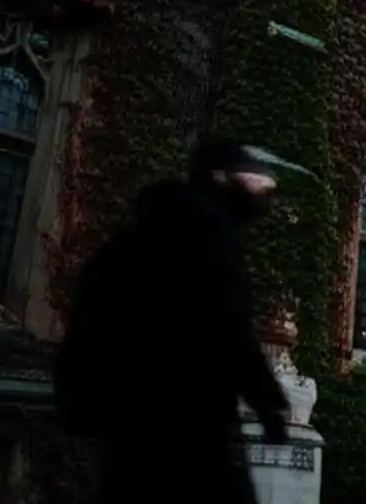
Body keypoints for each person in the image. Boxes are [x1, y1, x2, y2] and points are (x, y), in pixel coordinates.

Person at [55, 139, 291, 503]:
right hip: (190, 420)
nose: (260, 190)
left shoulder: (128, 241)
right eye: (250, 179)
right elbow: (228, 325)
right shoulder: (211, 233)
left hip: (125, 424)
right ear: (221, 179)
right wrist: (268, 401)